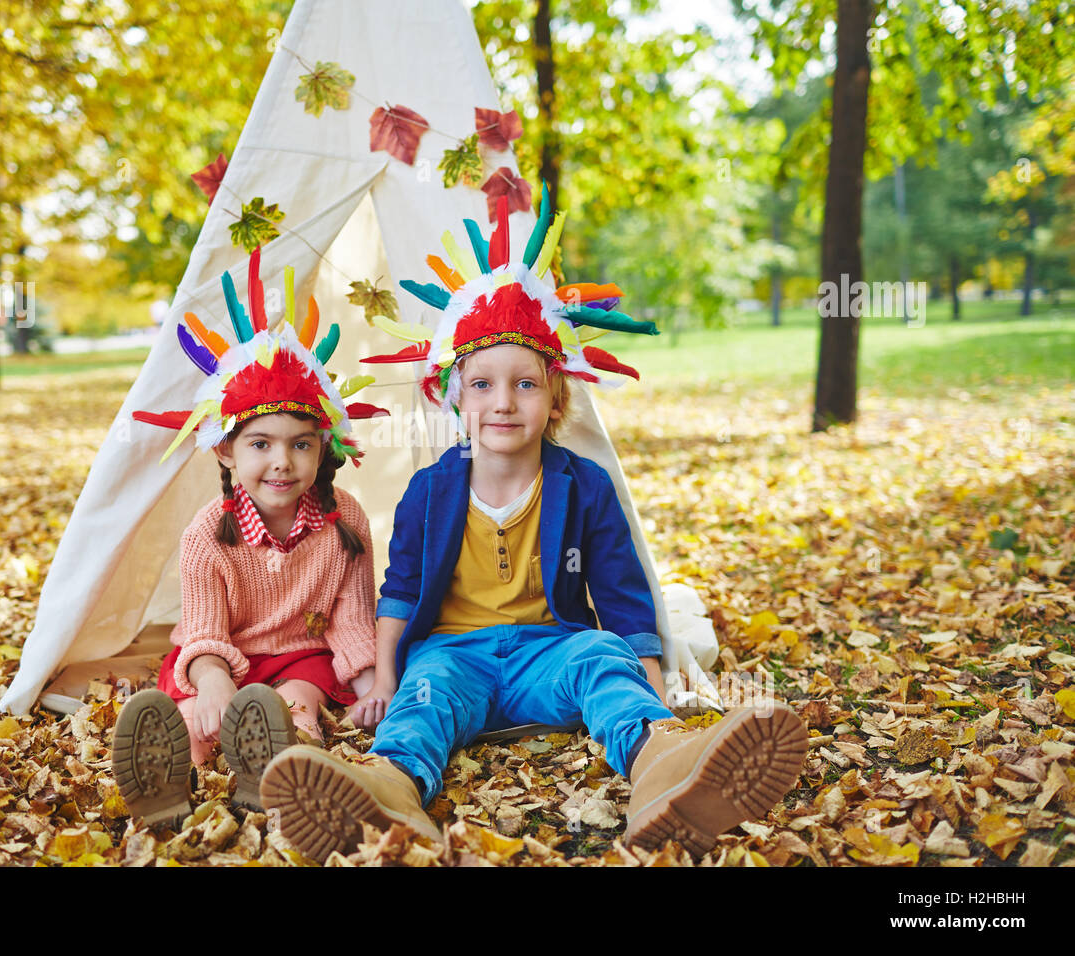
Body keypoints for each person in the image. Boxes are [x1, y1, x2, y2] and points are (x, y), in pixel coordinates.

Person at [260, 192, 808, 861]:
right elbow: (399, 591)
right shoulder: (430, 493)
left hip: (549, 653)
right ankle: (389, 786)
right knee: (421, 700)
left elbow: (622, 594)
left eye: (525, 384)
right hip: (453, 655)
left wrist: (654, 684)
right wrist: (382, 680)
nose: (503, 402)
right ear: (456, 395)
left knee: (601, 660)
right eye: (484, 384)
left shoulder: (582, 485)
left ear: (556, 396)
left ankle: (664, 767)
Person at [110, 248, 390, 826]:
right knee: (195, 714)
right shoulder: (207, 534)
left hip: (300, 659)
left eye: (301, 443)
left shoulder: (346, 522)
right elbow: (206, 630)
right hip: (222, 659)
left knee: (298, 705)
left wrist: (370, 686)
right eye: (260, 443)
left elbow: (352, 619)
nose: (282, 462)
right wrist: (212, 684)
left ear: (323, 447)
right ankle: (167, 785)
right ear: (225, 449)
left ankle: (267, 774)